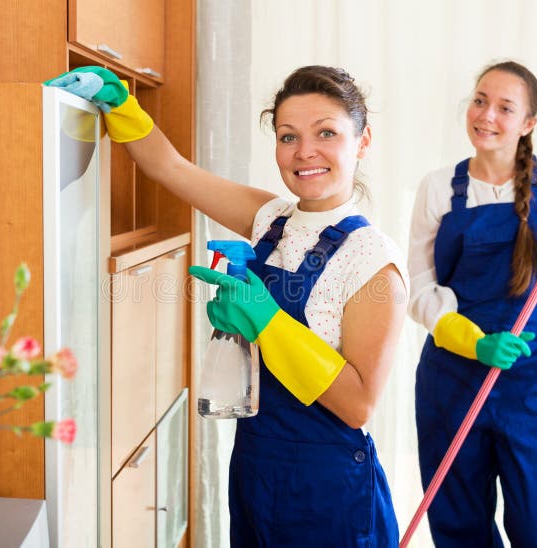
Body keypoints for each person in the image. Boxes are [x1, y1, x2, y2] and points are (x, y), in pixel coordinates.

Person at [56, 64, 409, 546]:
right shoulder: (272, 221)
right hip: (257, 467)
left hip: (329, 489)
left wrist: (264, 319)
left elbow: (358, 404)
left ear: (362, 141)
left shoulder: (373, 260)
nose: (304, 152)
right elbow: (172, 169)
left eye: (326, 133)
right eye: (288, 137)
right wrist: (122, 105)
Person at [408, 60, 537, 547]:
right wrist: (473, 342)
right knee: (459, 524)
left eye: (504, 107)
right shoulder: (438, 187)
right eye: (479, 100)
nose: (486, 115)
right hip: (452, 377)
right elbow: (419, 290)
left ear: (528, 123)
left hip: (534, 382)